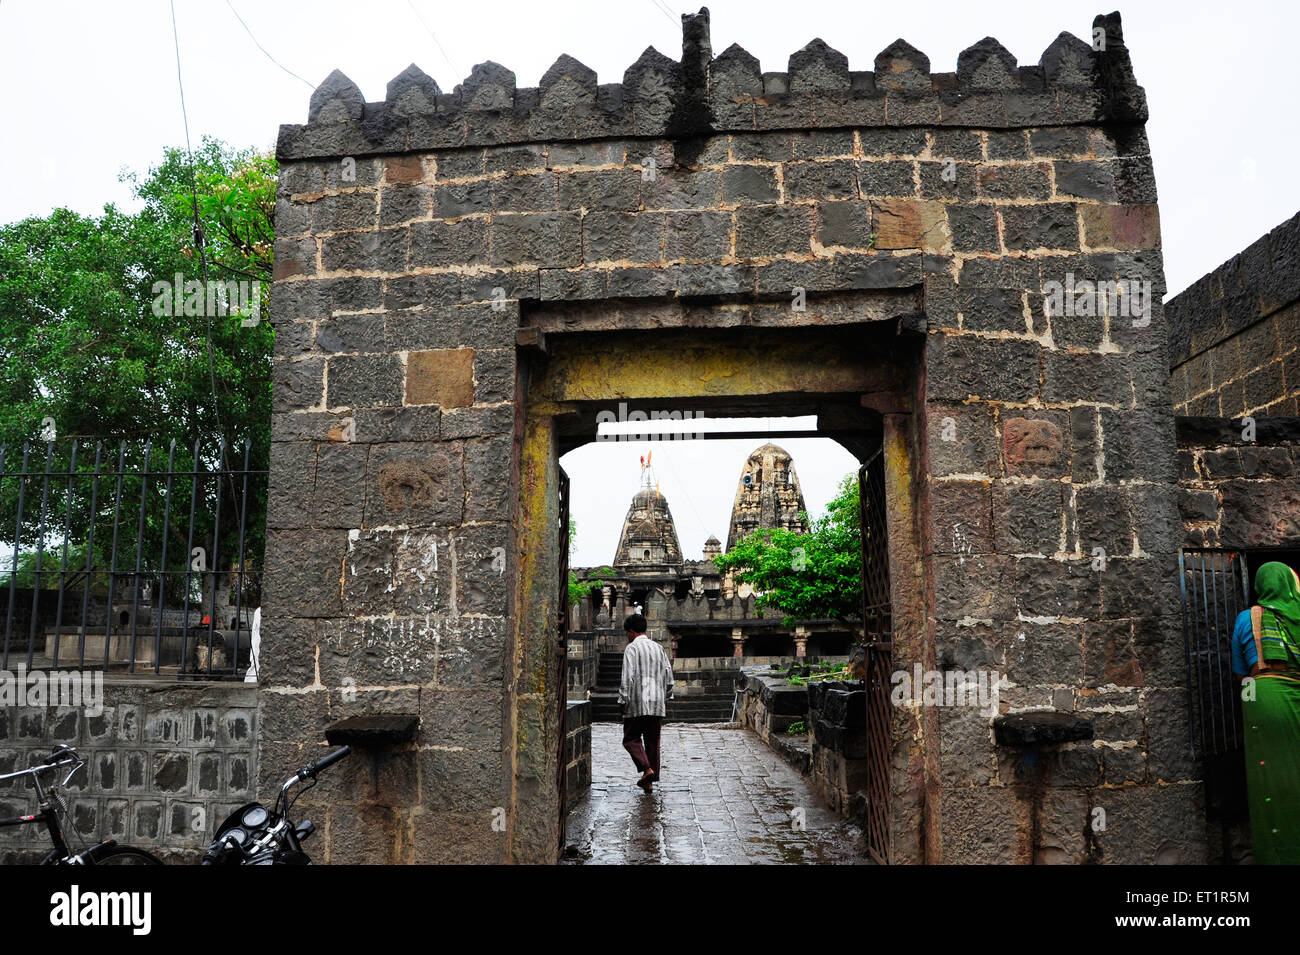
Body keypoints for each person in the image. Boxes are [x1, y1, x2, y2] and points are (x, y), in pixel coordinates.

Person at [1230, 561, 1300, 864]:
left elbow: (1240, 674)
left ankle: (1277, 854)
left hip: (1262, 698)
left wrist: (1253, 706)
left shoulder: (1247, 618)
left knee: (1269, 777)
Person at [618, 613, 674, 792]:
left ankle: (646, 769)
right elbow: (669, 677)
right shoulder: (659, 648)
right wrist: (666, 697)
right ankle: (649, 781)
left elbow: (628, 676)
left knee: (631, 739)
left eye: (627, 632)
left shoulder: (632, 648)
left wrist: (623, 700)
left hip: (637, 702)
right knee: (652, 742)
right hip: (657, 702)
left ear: (632, 632)